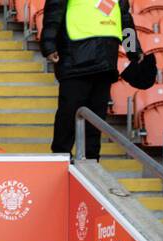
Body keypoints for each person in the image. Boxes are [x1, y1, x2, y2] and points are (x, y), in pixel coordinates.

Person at [41, 0, 140, 161]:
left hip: (105, 62)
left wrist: (134, 51)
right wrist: (49, 44)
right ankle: (61, 155)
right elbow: (54, 11)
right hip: (74, 58)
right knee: (69, 112)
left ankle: (92, 160)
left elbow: (125, 21)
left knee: (96, 117)